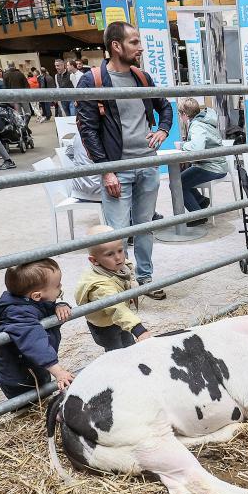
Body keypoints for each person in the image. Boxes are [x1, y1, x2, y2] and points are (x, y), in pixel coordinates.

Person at [76, 21, 174, 300]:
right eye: (134, 42)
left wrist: (163, 130)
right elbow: (88, 130)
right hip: (118, 170)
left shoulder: (142, 77)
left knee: (145, 226)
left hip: (147, 164)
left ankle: (144, 279)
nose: (140, 47)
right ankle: (121, 286)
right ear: (116, 46)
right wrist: (107, 171)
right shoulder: (92, 80)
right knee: (116, 235)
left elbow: (164, 106)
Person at [0, 259, 74, 398]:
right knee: (26, 407)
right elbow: (34, 342)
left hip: (37, 366)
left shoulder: (29, 300)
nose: (61, 286)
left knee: (44, 395)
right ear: (37, 295)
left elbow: (45, 308)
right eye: (57, 285)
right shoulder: (17, 314)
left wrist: (60, 306)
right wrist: (58, 372)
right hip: (19, 377)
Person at [75, 225, 151, 351]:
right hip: (105, 326)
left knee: (129, 343)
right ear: (94, 260)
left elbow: (129, 272)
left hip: (122, 318)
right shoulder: (100, 286)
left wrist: (130, 289)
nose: (118, 257)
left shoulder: (119, 265)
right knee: (115, 351)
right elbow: (117, 307)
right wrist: (138, 329)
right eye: (110, 254)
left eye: (120, 250)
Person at [177, 97, 226, 225]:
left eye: (180, 113)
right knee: (180, 180)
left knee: (177, 184)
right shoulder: (204, 121)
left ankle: (197, 216)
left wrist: (182, 146)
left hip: (211, 166)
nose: (180, 116)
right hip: (217, 164)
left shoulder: (197, 125)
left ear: (185, 114)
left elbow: (197, 148)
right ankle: (200, 201)